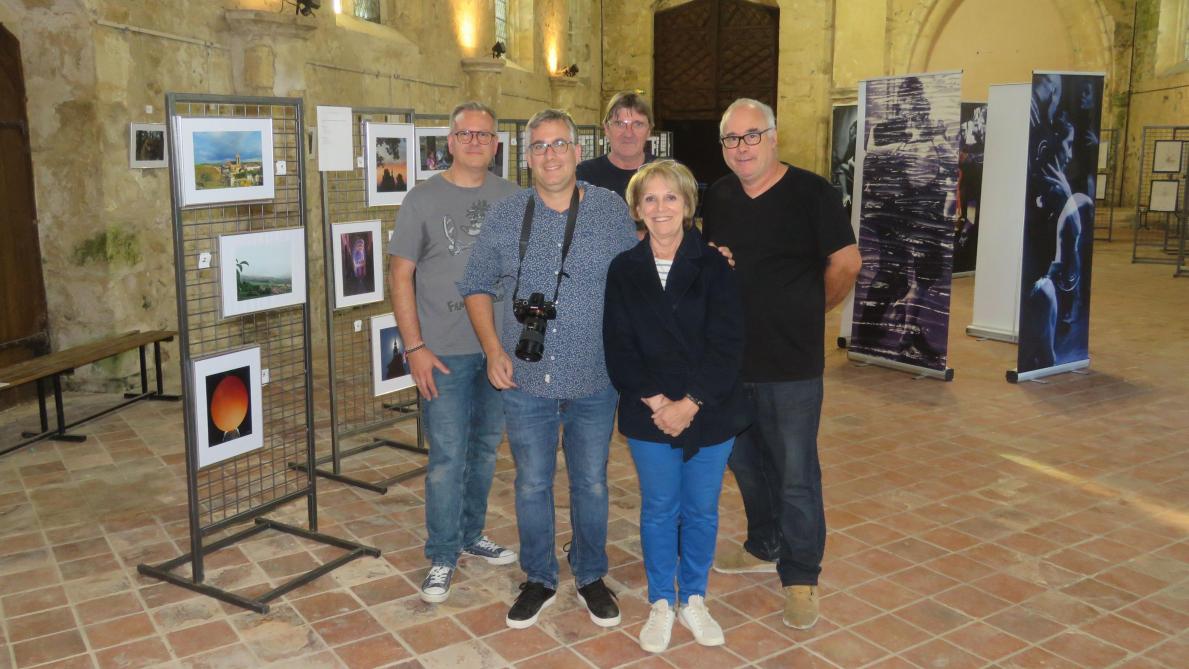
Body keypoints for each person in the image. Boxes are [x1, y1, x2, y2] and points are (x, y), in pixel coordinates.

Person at [459, 108, 637, 630]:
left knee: (591, 483)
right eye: (540, 146)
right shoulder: (507, 214)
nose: (551, 154)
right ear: (527, 156)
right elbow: (474, 283)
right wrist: (493, 349)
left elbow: (639, 279)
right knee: (533, 483)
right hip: (525, 379)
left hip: (594, 376)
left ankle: (589, 574)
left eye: (560, 144)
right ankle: (537, 576)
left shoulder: (609, 211)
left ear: (577, 152)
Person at [702, 98, 861, 630]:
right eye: (732, 139)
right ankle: (763, 543)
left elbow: (846, 262)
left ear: (773, 137)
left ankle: (800, 575)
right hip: (730, 363)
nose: (742, 148)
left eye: (752, 136)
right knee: (744, 465)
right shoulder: (719, 197)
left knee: (795, 474)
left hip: (791, 365)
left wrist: (814, 307)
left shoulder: (812, 193)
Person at [604, 160, 749, 653]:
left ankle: (694, 597)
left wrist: (690, 403)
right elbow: (618, 346)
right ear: (636, 209)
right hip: (649, 411)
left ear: (687, 205)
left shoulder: (714, 265)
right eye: (650, 199)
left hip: (709, 408)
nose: (661, 207)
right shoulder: (623, 269)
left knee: (702, 510)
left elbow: (728, 344)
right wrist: (659, 403)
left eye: (671, 198)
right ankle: (661, 602)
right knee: (660, 509)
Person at [387, 101, 520, 605]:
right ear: (449, 141)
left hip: (496, 352)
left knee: (484, 450)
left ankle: (471, 534)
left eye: (484, 135)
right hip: (440, 351)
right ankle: (442, 553)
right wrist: (414, 348)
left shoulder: (512, 197)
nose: (475, 142)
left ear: (496, 144)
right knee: (446, 457)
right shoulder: (421, 200)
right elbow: (400, 276)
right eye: (466, 134)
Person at [576, 91, 655, 200]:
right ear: (606, 129)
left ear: (649, 131)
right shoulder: (585, 175)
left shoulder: (669, 173)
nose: (628, 134)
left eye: (637, 124)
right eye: (619, 124)